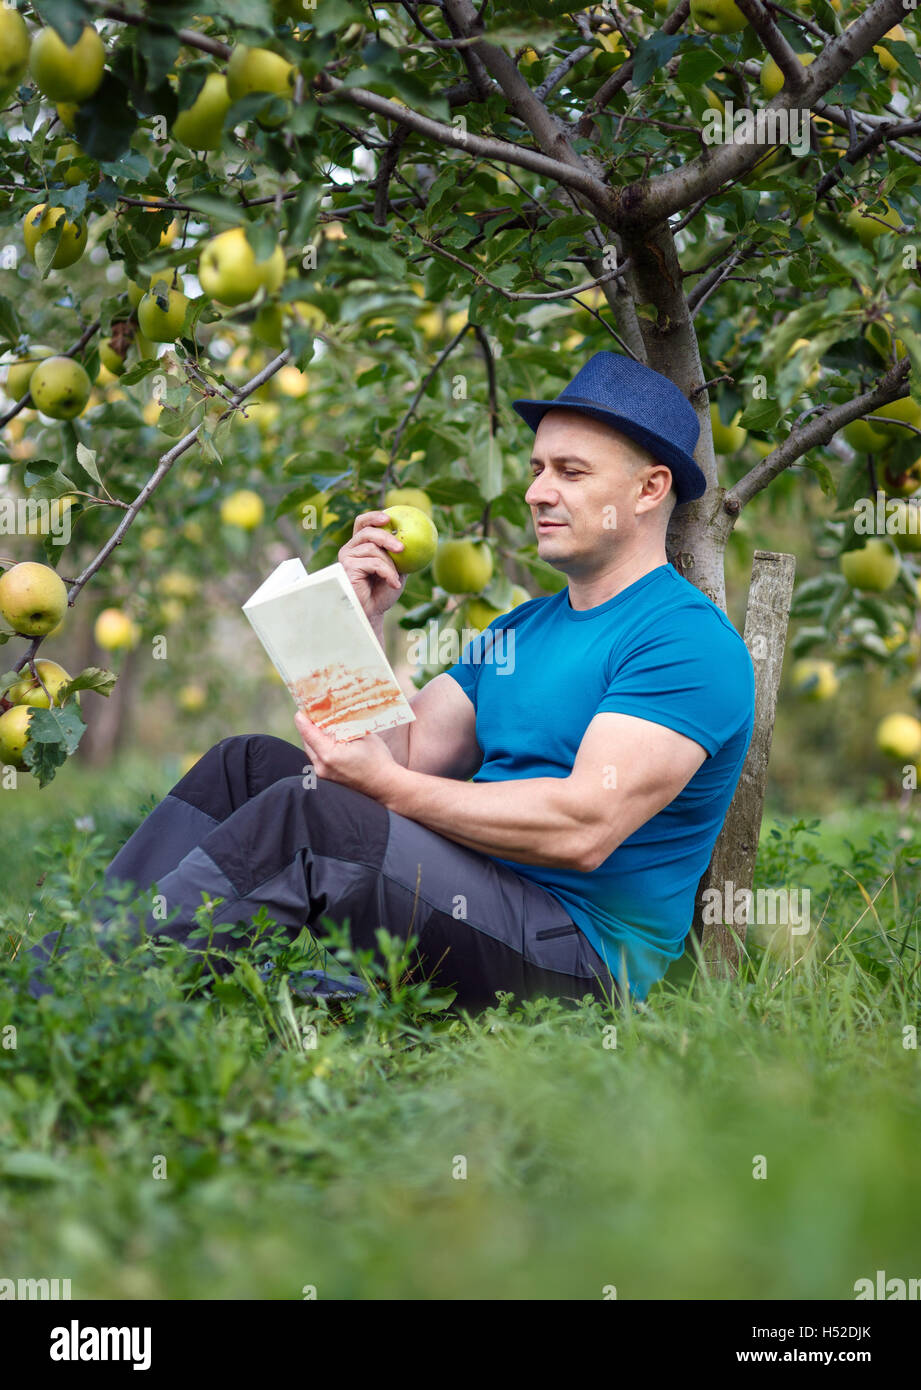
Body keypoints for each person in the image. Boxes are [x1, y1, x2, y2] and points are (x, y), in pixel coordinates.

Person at [27, 351, 755, 1012]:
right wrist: (360, 622)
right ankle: (86, 962)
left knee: (313, 816)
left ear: (648, 488)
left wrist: (386, 789)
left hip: (571, 958)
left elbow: (583, 829)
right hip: (472, 896)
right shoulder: (521, 630)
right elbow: (402, 756)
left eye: (569, 472)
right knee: (247, 764)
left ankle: (77, 999)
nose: (537, 492)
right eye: (535, 469)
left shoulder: (684, 641)